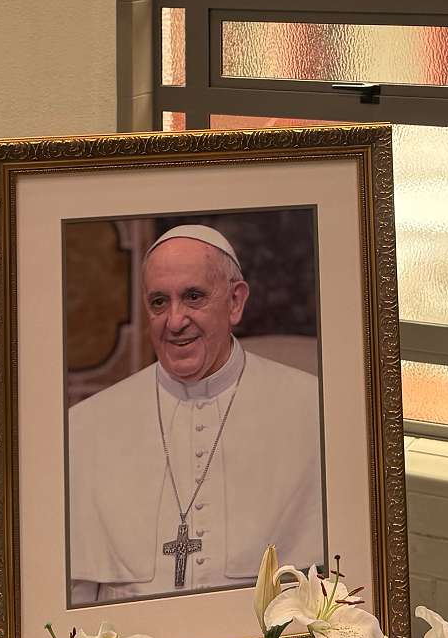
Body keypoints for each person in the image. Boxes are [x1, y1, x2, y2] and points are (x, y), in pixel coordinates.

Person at [67, 225, 325, 605]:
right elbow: (76, 603)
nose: (174, 321)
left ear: (235, 302)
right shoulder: (86, 425)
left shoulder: (312, 411)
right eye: (159, 302)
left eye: (193, 297)